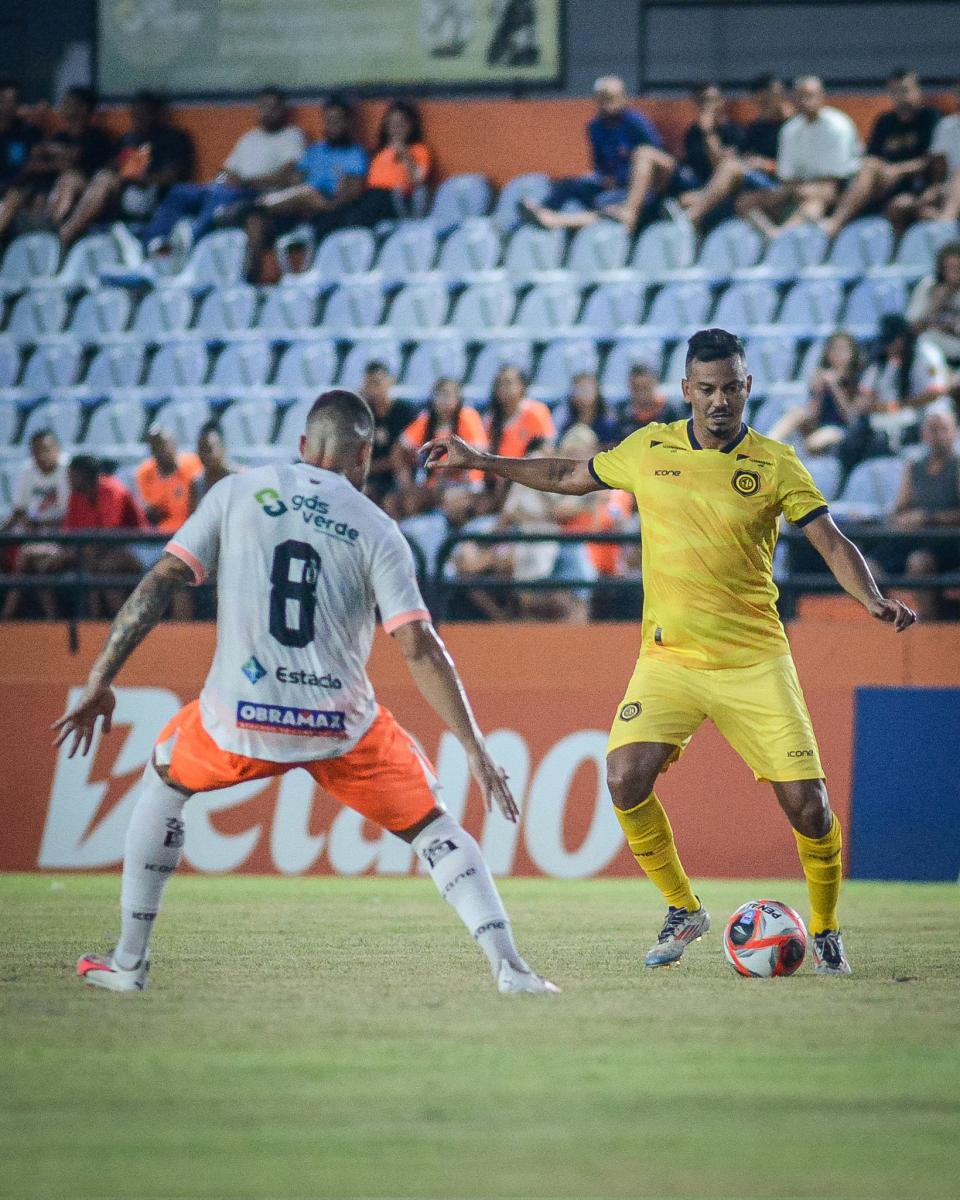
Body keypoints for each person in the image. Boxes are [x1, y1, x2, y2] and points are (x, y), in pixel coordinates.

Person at [425, 327, 919, 976]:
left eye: (732, 388)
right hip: (669, 662)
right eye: (707, 389)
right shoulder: (648, 447)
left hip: (755, 661)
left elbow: (829, 541)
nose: (720, 401)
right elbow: (569, 474)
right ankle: (683, 909)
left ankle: (824, 928)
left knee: (811, 808)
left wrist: (871, 596)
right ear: (686, 390)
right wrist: (480, 460)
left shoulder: (776, 463)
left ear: (748, 388)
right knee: (624, 777)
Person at [56, 389, 557, 997]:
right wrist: (474, 746)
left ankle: (129, 962)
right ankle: (511, 968)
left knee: (164, 778)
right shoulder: (378, 528)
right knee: (433, 828)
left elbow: (160, 583)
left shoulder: (235, 494)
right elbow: (420, 646)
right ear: (365, 455)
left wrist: (99, 678)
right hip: (341, 728)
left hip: (237, 717)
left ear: (302, 445)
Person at [137, 87, 306, 259]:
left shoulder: (291, 136)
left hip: (255, 195)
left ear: (282, 110)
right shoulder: (249, 137)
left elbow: (286, 175)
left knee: (220, 196)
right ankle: (147, 249)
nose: (267, 112)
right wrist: (225, 180)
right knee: (180, 191)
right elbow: (226, 171)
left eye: (273, 107)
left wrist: (244, 183)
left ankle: (189, 248)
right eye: (263, 107)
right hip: (226, 188)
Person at [244, 95, 368, 282]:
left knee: (308, 193)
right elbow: (297, 179)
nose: (332, 125)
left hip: (326, 204)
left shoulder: (355, 153)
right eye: (328, 120)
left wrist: (333, 202)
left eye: (337, 120)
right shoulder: (314, 151)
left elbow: (354, 191)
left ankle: (259, 204)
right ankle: (250, 280)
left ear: (348, 123)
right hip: (298, 206)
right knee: (255, 222)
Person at [521, 75, 668, 232]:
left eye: (612, 98)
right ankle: (538, 214)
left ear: (623, 97)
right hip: (607, 183)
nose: (608, 103)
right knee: (569, 185)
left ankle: (555, 221)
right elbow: (599, 164)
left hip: (635, 190)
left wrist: (623, 179)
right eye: (603, 98)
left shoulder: (637, 123)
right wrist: (606, 178)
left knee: (606, 202)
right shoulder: (595, 126)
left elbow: (657, 160)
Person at [58, 91, 194, 247]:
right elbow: (110, 167)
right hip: (119, 193)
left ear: (157, 115)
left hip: (149, 195)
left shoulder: (173, 139)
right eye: (135, 115)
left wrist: (133, 178)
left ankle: (66, 235)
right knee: (71, 179)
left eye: (143, 115)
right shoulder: (130, 139)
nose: (138, 120)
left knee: (105, 181)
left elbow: (170, 177)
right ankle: (58, 229)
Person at [821, 69, 942, 239]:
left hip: (917, 185)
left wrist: (898, 171)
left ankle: (835, 226)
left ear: (917, 91)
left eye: (905, 91)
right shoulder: (884, 121)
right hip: (883, 186)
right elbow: (870, 158)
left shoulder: (931, 118)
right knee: (868, 167)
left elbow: (932, 161)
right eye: (895, 92)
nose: (900, 97)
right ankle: (836, 225)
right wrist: (885, 173)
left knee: (897, 202)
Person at [737, 76, 861, 237]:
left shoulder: (838, 126)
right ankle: (768, 235)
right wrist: (791, 191)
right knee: (745, 202)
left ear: (822, 96)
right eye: (800, 97)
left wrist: (801, 190)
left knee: (815, 205)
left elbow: (835, 184)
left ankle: (780, 235)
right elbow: (786, 177)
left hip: (832, 191)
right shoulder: (789, 129)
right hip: (794, 188)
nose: (805, 101)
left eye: (810, 96)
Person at [0, 86, 114, 244]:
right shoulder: (59, 137)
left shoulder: (97, 138)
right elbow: (33, 162)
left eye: (68, 102)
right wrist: (55, 161)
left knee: (68, 180)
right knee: (15, 195)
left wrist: (57, 155)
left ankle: (55, 233)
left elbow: (78, 163)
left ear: (82, 109)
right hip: (47, 188)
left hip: (82, 192)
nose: (62, 106)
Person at [677, 74, 790, 230]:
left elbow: (797, 167)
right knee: (687, 199)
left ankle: (688, 220)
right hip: (747, 183)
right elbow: (735, 159)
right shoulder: (756, 128)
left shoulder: (792, 127)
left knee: (730, 168)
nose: (765, 107)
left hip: (778, 184)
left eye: (769, 100)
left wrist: (766, 165)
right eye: (761, 102)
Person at [884, 408, 960, 621]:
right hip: (914, 539)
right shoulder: (914, 468)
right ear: (923, 434)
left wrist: (928, 518)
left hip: (949, 543)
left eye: (943, 429)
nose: (937, 436)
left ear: (954, 432)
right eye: (932, 429)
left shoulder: (957, 466)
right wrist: (901, 520)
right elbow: (899, 509)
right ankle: (894, 620)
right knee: (868, 566)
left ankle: (930, 624)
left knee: (919, 562)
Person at [0, 429, 71, 620]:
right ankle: (50, 618)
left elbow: (70, 515)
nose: (41, 455)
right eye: (36, 451)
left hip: (61, 540)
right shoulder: (27, 471)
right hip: (33, 538)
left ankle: (8, 616)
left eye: (46, 449)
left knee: (29, 558)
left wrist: (38, 522)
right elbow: (19, 511)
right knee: (28, 559)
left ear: (57, 449)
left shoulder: (68, 470)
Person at [766, 331, 865, 456]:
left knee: (814, 443)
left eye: (843, 350)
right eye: (834, 349)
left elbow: (850, 417)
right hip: (820, 423)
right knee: (797, 412)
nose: (838, 354)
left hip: (841, 429)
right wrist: (819, 391)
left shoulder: (858, 379)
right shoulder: (821, 375)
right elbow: (813, 413)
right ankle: (768, 445)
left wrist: (834, 387)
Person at [392, 377, 487, 499]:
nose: (443, 400)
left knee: (450, 500)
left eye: (448, 395)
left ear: (458, 398)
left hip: (467, 484)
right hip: (433, 484)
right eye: (439, 395)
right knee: (402, 500)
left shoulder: (467, 415)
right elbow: (398, 450)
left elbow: (479, 452)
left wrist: (447, 471)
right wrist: (405, 481)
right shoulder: (426, 419)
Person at [361, 360, 419, 506]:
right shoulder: (362, 414)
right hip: (371, 478)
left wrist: (375, 466)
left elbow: (411, 454)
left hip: (400, 476)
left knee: (393, 501)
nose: (373, 390)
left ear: (390, 382)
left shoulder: (405, 412)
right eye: (369, 384)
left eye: (377, 383)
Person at [907, 239, 960, 366]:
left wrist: (947, 327)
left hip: (956, 343)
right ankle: (936, 382)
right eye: (950, 268)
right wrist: (936, 304)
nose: (954, 274)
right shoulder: (928, 286)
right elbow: (913, 326)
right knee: (925, 341)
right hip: (934, 343)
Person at [614, 363, 681, 441]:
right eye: (636, 388)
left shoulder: (671, 412)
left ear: (655, 383)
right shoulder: (621, 413)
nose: (641, 393)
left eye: (645, 387)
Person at [553, 371, 619, 446]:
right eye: (578, 390)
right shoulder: (566, 421)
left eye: (587, 389)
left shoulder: (608, 424)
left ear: (596, 392)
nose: (583, 394)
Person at [0, 79, 41, 198]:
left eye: (11, 101)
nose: (5, 106)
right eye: (2, 101)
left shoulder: (26, 132)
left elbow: (19, 166)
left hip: (15, 189)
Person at [189, 421, 236, 514]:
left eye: (209, 450)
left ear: (223, 448)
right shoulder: (197, 484)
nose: (204, 456)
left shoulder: (239, 479)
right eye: (201, 450)